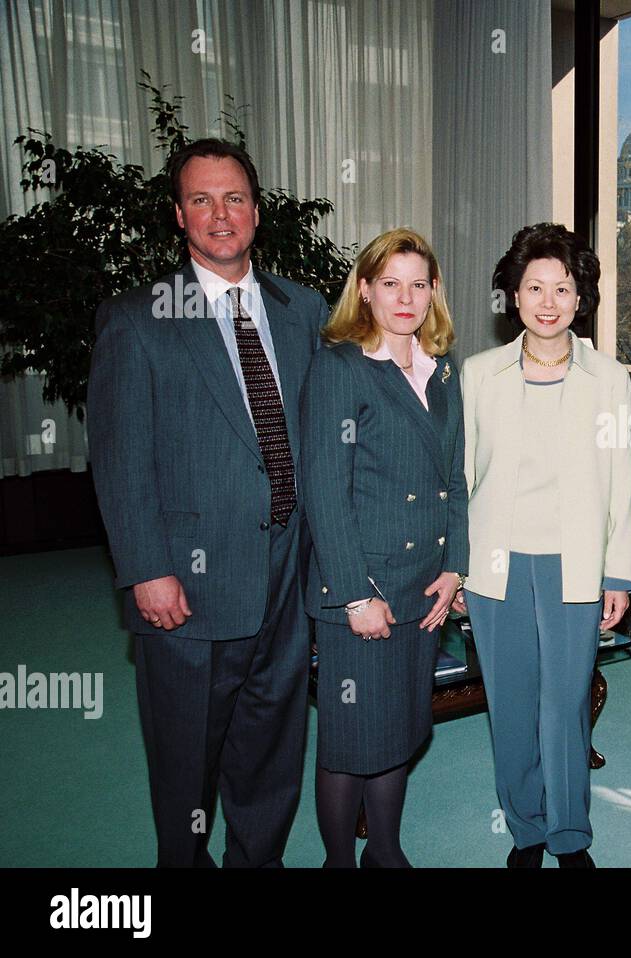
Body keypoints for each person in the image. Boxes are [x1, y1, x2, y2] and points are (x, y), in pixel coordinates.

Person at [86, 138, 328, 867]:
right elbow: (118, 457)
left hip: (287, 572)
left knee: (271, 750)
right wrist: (145, 568)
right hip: (186, 587)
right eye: (201, 200)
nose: (220, 215)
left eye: (234, 198)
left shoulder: (303, 309)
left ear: (256, 210)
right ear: (179, 216)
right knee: (187, 763)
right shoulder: (136, 319)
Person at [458, 223, 631, 868]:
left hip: (575, 564)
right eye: (534, 286)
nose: (549, 300)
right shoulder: (478, 375)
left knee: (565, 705)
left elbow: (623, 481)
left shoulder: (610, 379)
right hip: (495, 566)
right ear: (512, 294)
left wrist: (618, 574)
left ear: (581, 297)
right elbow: (463, 478)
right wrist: (457, 569)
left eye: (563, 287)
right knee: (509, 703)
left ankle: (569, 835)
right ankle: (527, 830)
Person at [299, 228, 467, 867]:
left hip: (423, 587)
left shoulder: (441, 368)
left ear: (433, 293)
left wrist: (456, 568)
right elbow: (324, 490)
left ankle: (386, 851)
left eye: (418, 284)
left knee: (400, 727)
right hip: (362, 590)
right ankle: (341, 859)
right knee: (350, 741)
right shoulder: (340, 367)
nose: (405, 297)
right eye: (390, 283)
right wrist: (352, 594)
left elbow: (457, 479)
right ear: (364, 290)